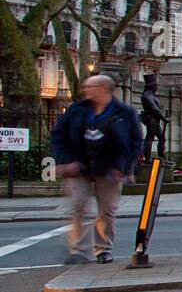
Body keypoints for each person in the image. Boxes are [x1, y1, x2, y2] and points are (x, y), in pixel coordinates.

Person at [51, 74, 143, 265]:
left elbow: (134, 142)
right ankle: (77, 249)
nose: (86, 90)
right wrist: (65, 160)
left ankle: (103, 249)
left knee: (107, 211)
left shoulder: (124, 113)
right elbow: (59, 135)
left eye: (90, 87)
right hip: (79, 166)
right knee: (77, 206)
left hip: (109, 169)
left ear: (104, 88)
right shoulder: (76, 110)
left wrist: (125, 168)